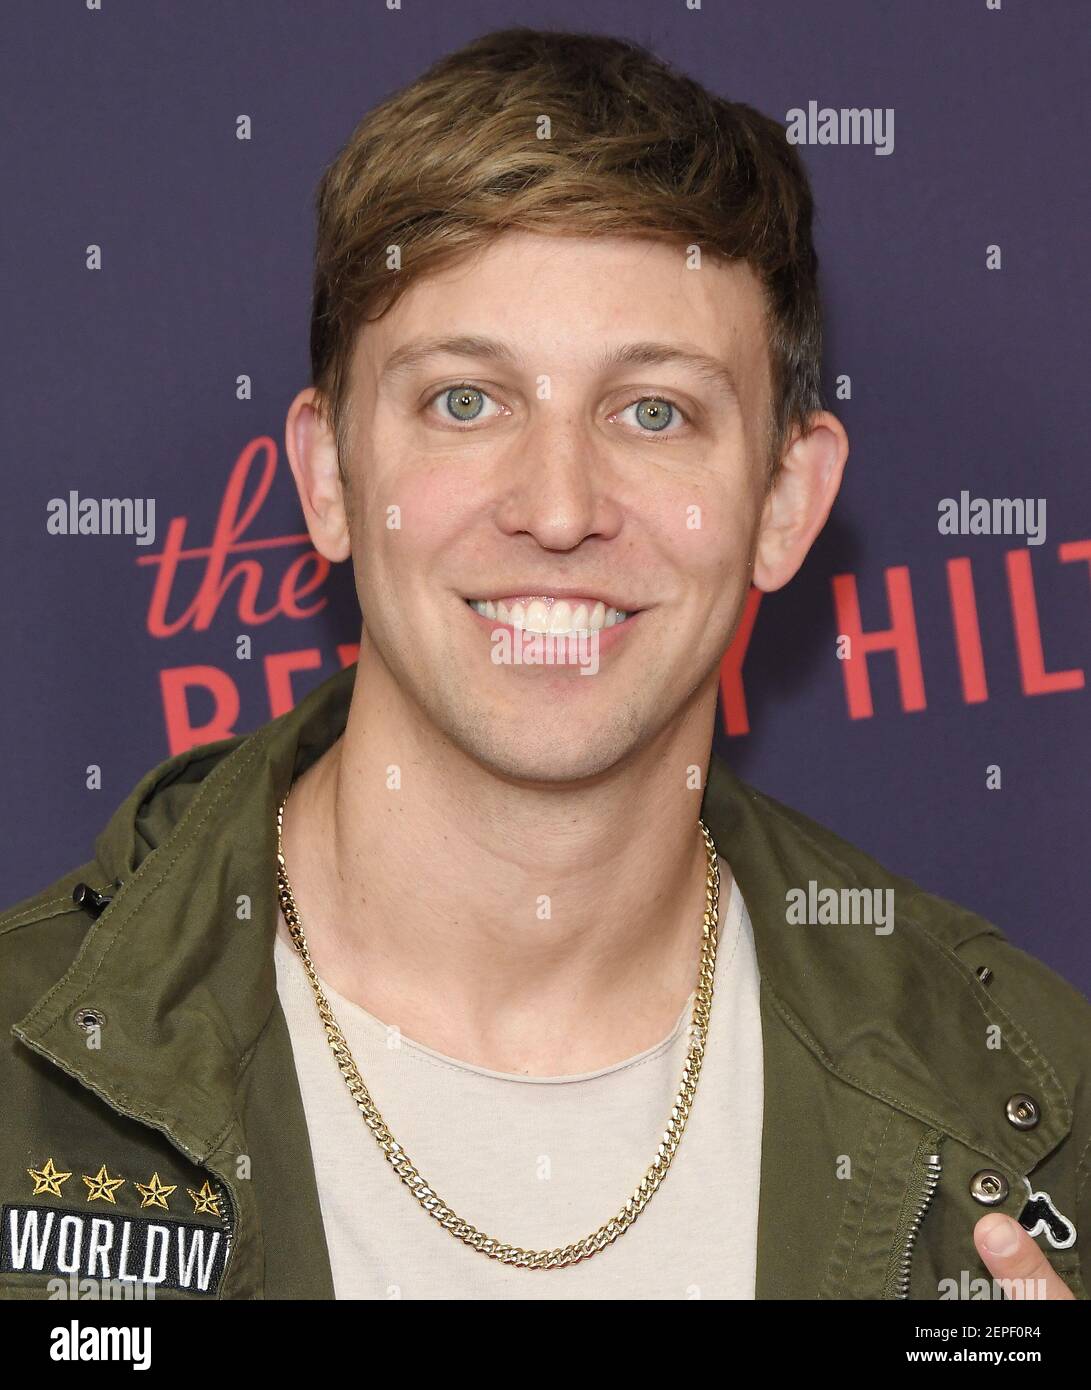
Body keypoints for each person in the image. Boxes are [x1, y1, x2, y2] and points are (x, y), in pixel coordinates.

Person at [1, 26, 1087, 1302]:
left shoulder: (1028, 1105)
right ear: (328, 477)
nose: (559, 505)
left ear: (785, 502)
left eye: (652, 411)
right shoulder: (25, 1089)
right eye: (465, 399)